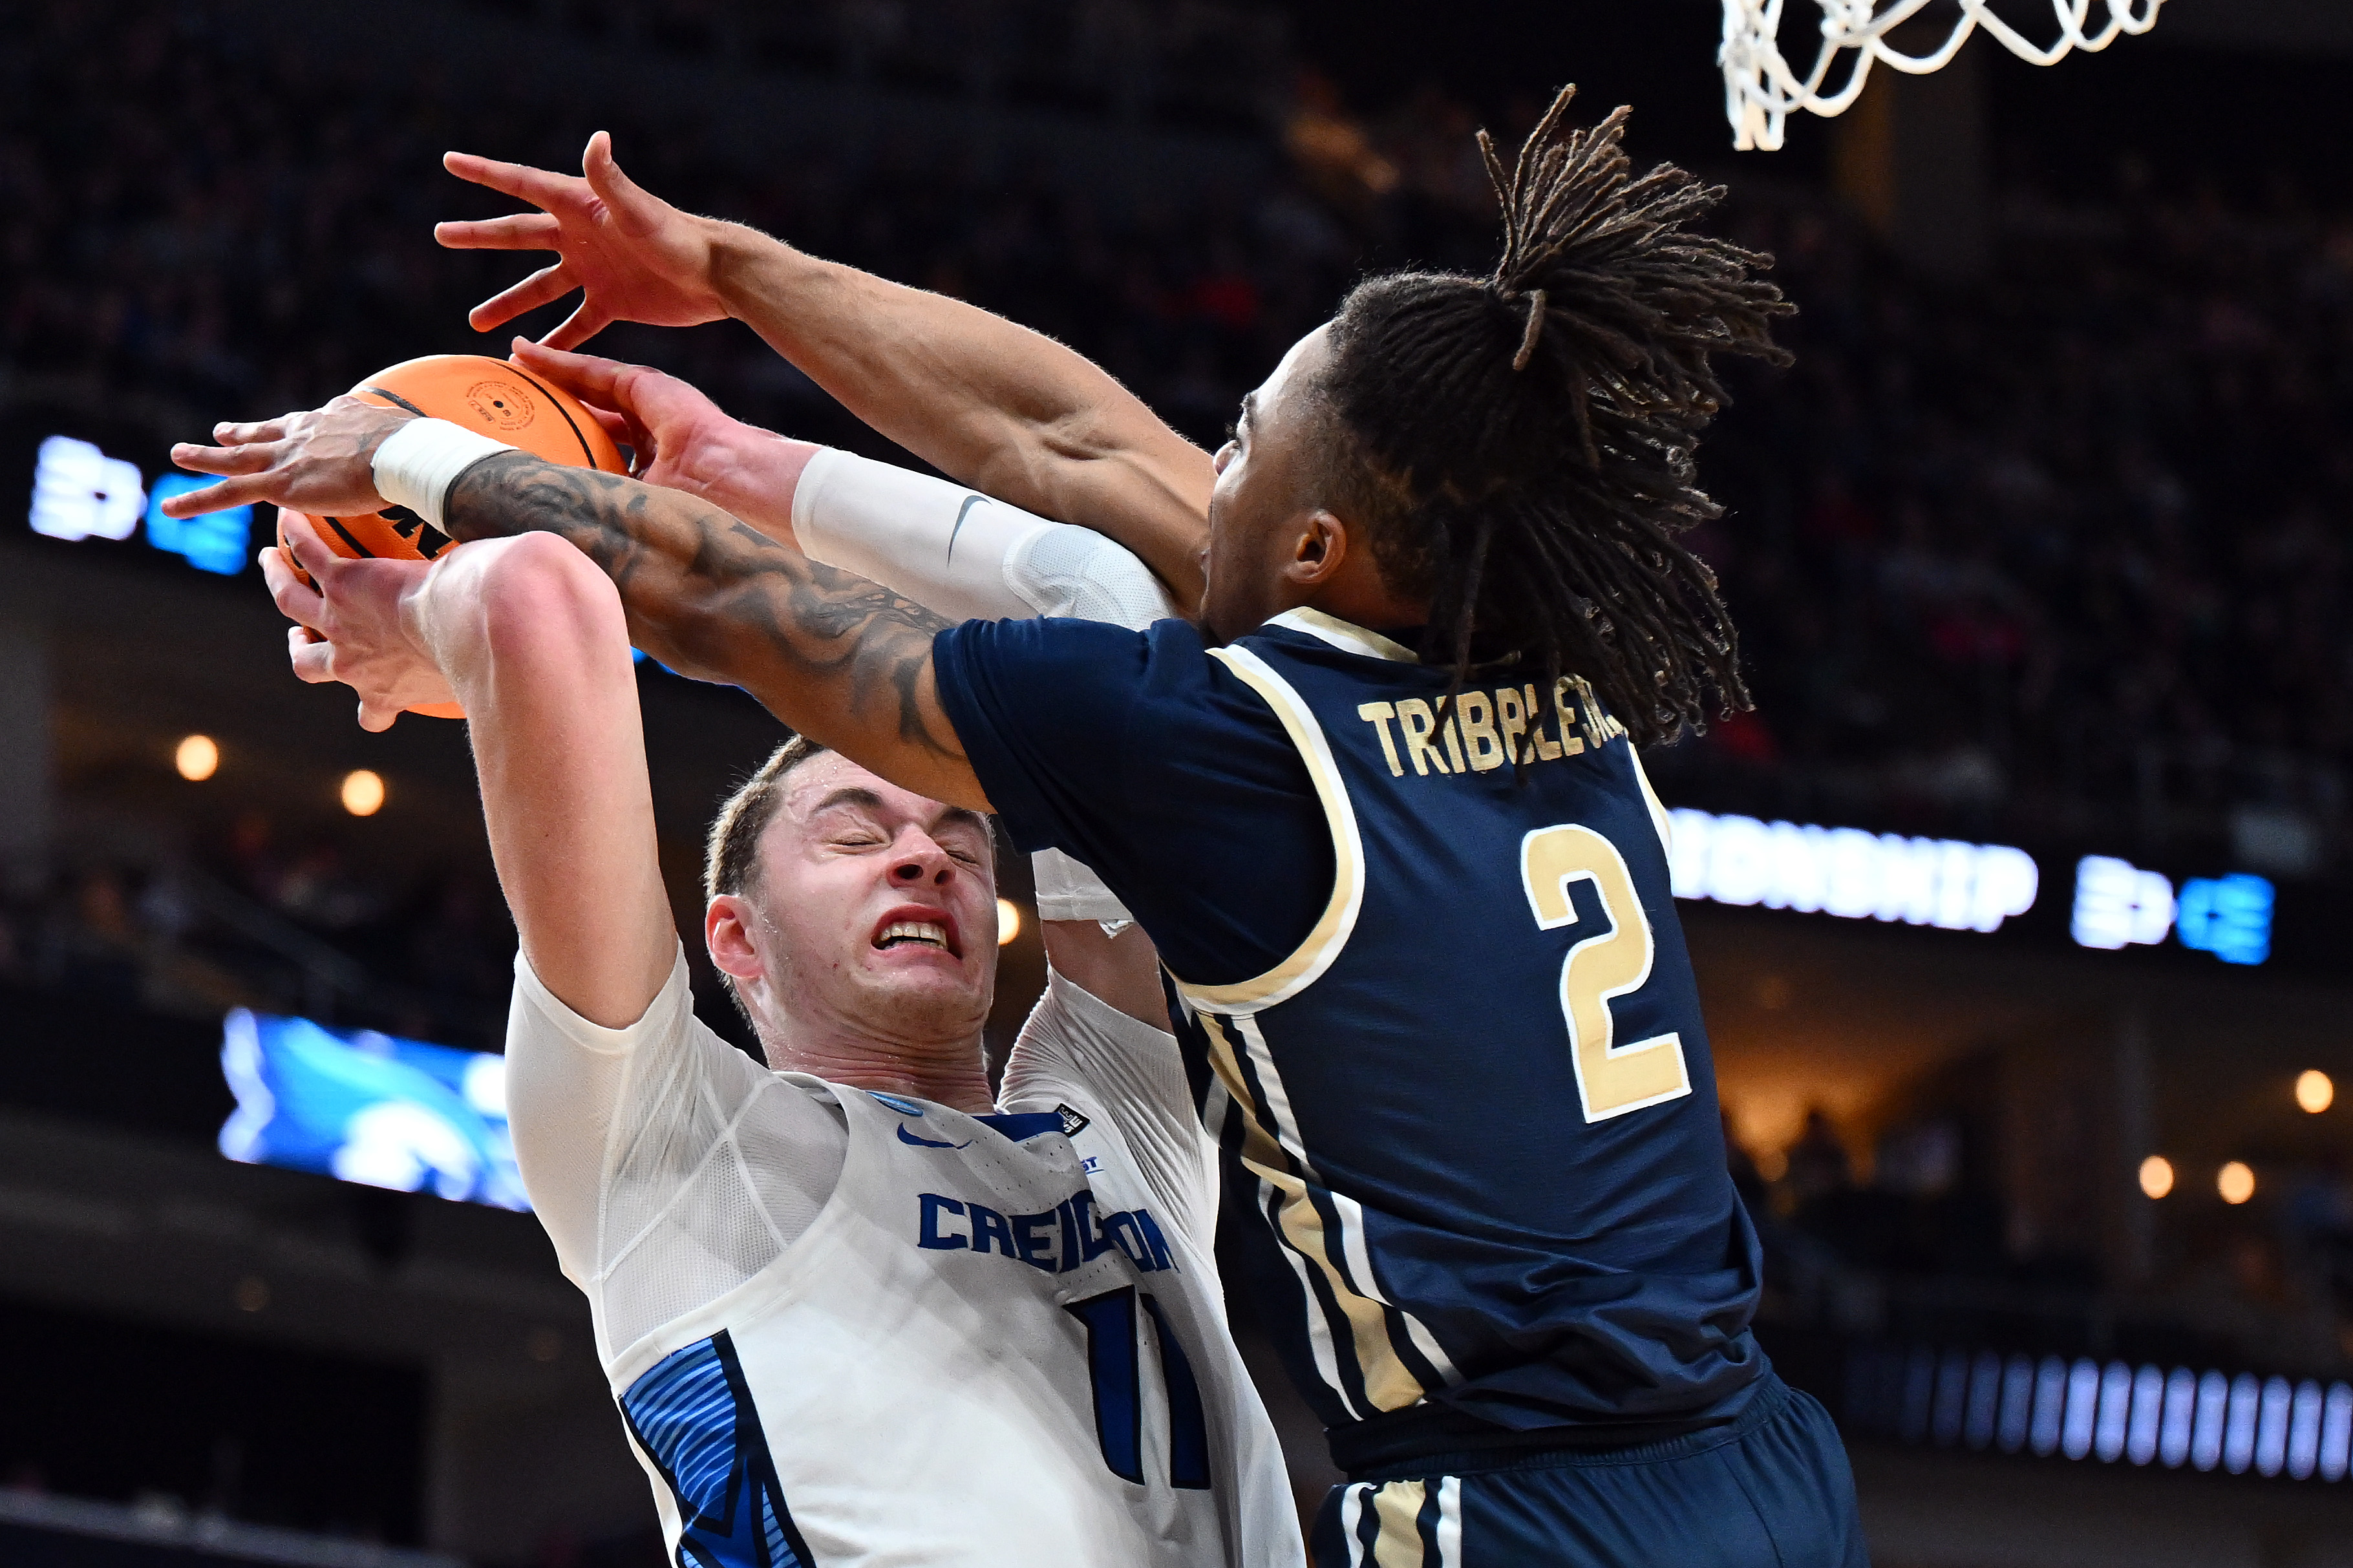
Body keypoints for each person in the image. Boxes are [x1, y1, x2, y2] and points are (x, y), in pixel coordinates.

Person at [172, 88, 1866, 1565]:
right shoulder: (1548, 667)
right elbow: (1057, 459)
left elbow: (722, 591)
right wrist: (734, 301)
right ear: (734, 932)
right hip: (1767, 1461)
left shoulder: (1216, 754)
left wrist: (423, 463)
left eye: (1241, 442)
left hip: (1530, 1510)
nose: (1201, 462)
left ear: (1319, 547)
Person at [247, 514, 1301, 1565]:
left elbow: (1097, 596)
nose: (922, 858)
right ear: (736, 938)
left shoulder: (1116, 1128)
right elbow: (536, 593)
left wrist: (770, 479)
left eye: (961, 843)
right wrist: (414, 616)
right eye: (854, 833)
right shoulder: (685, 1147)